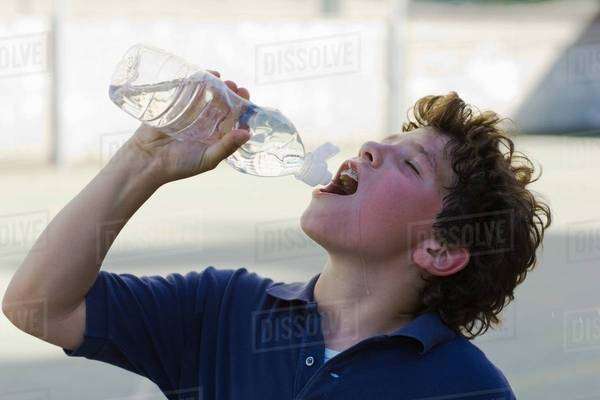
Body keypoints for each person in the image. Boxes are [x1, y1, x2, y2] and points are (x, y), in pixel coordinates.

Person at [3, 71, 551, 400]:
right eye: (380, 142)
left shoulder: (464, 386)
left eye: (410, 166)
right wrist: (144, 161)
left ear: (440, 248)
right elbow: (36, 305)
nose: (368, 149)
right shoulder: (222, 308)